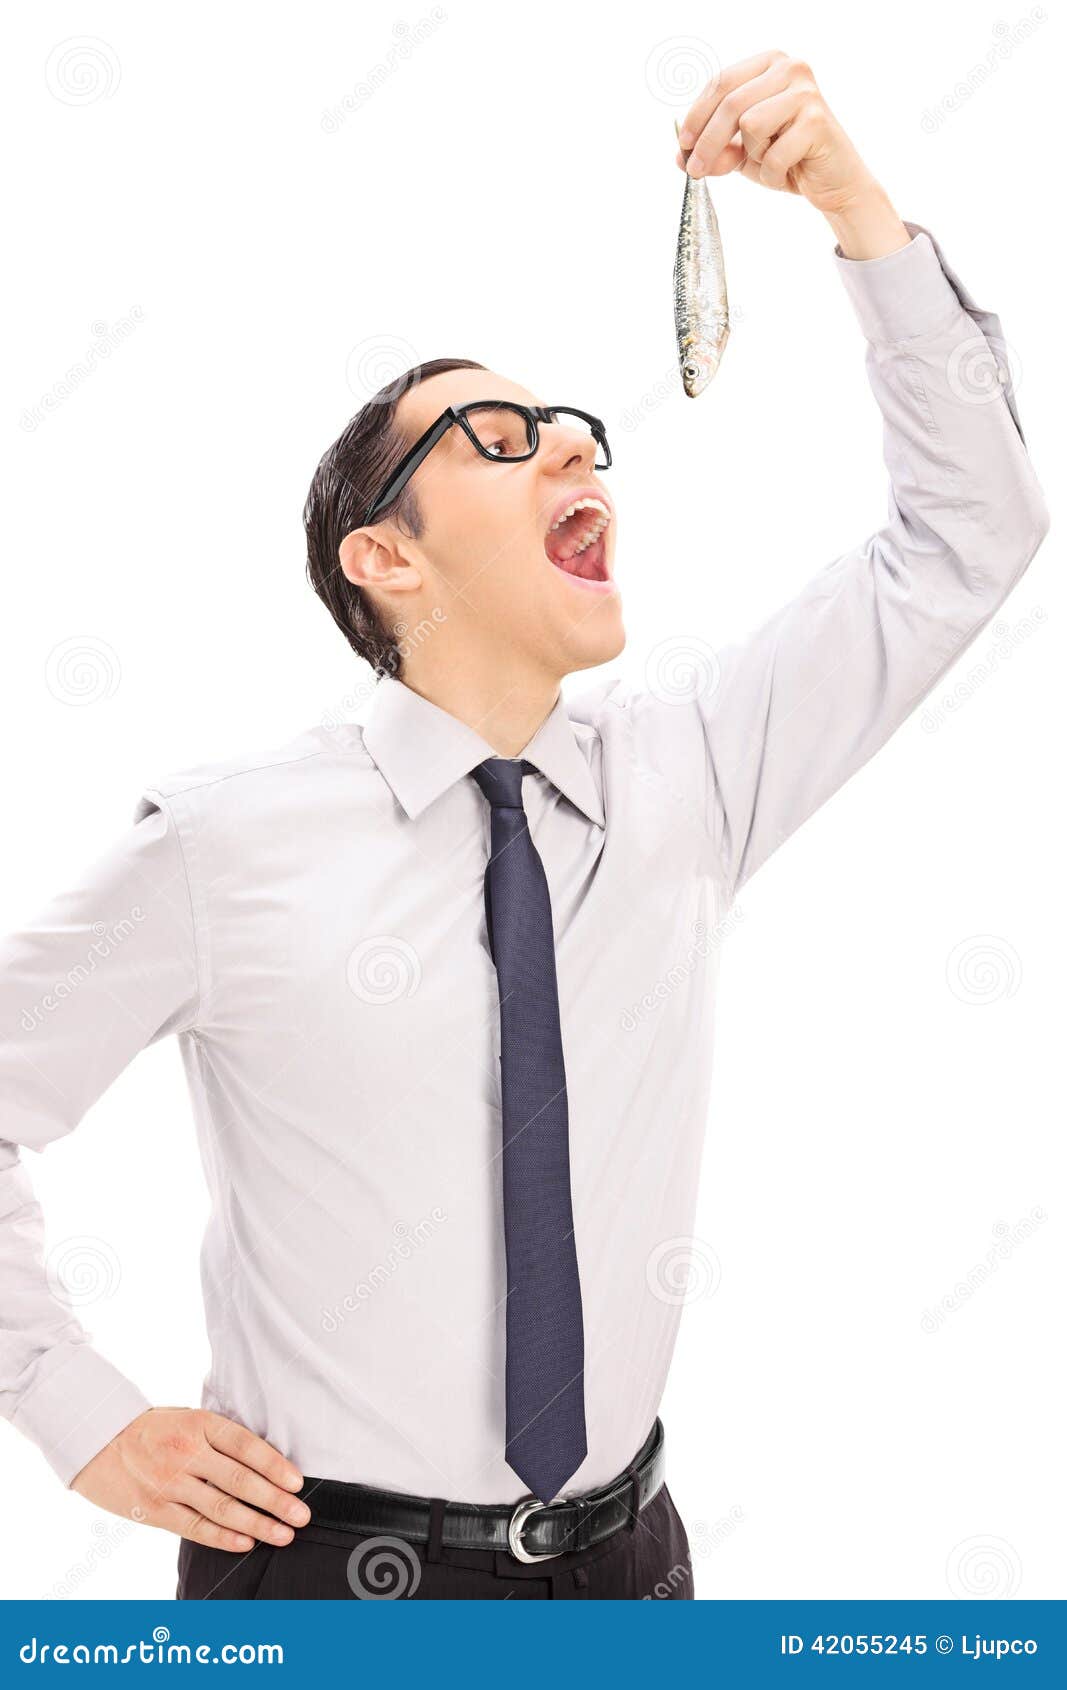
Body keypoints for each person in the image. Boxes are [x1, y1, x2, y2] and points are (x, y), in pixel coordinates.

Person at [0, 51, 1048, 1601]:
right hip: (332, 1586)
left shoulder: (692, 774)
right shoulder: (224, 846)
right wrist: (77, 1414)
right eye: (495, 441)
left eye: (571, 431)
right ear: (388, 561)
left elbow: (975, 534)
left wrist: (854, 208)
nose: (573, 445)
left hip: (631, 1564)